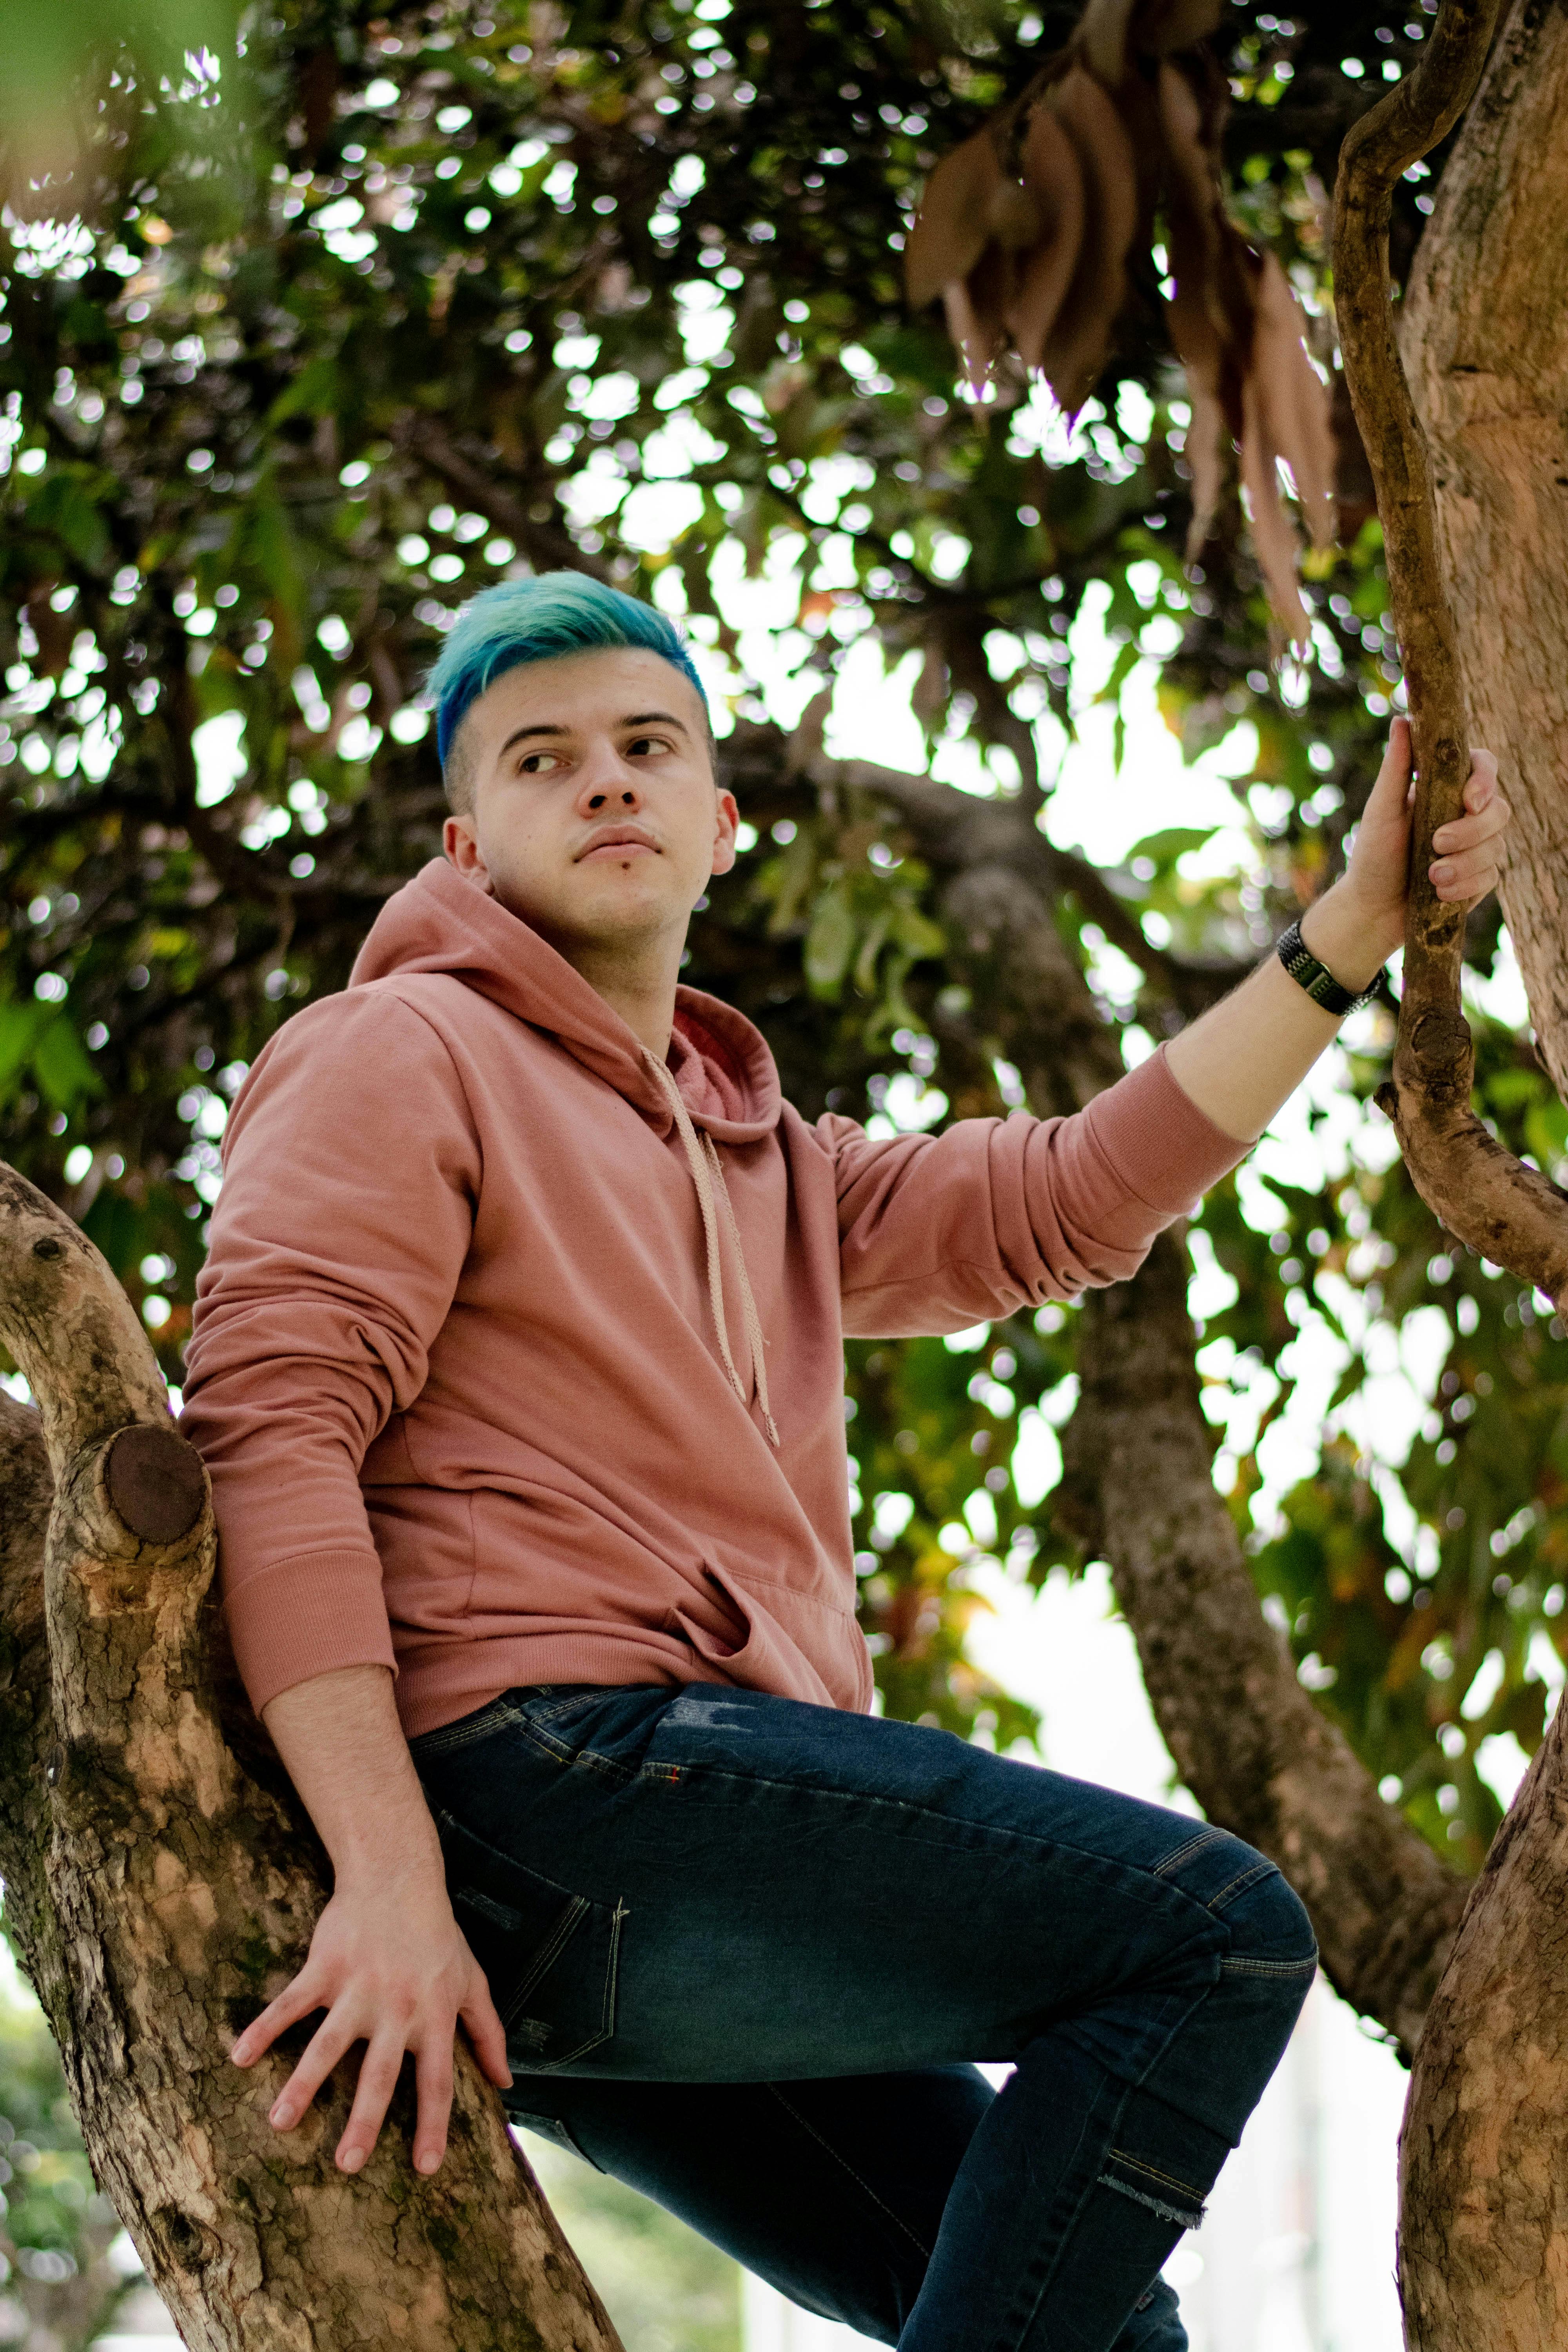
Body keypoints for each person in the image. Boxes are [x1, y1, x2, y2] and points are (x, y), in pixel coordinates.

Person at [181, 573, 1510, 2352]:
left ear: (720, 823)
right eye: (541, 759)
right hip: (528, 1787)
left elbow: (1071, 1196)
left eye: (647, 746)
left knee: (1108, 2332)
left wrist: (1347, 929)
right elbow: (268, 1437)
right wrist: (387, 1873)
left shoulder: (766, 1161)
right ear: (466, 845)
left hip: (648, 1886)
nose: (604, 780)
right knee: (1212, 1936)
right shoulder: (394, 1049)